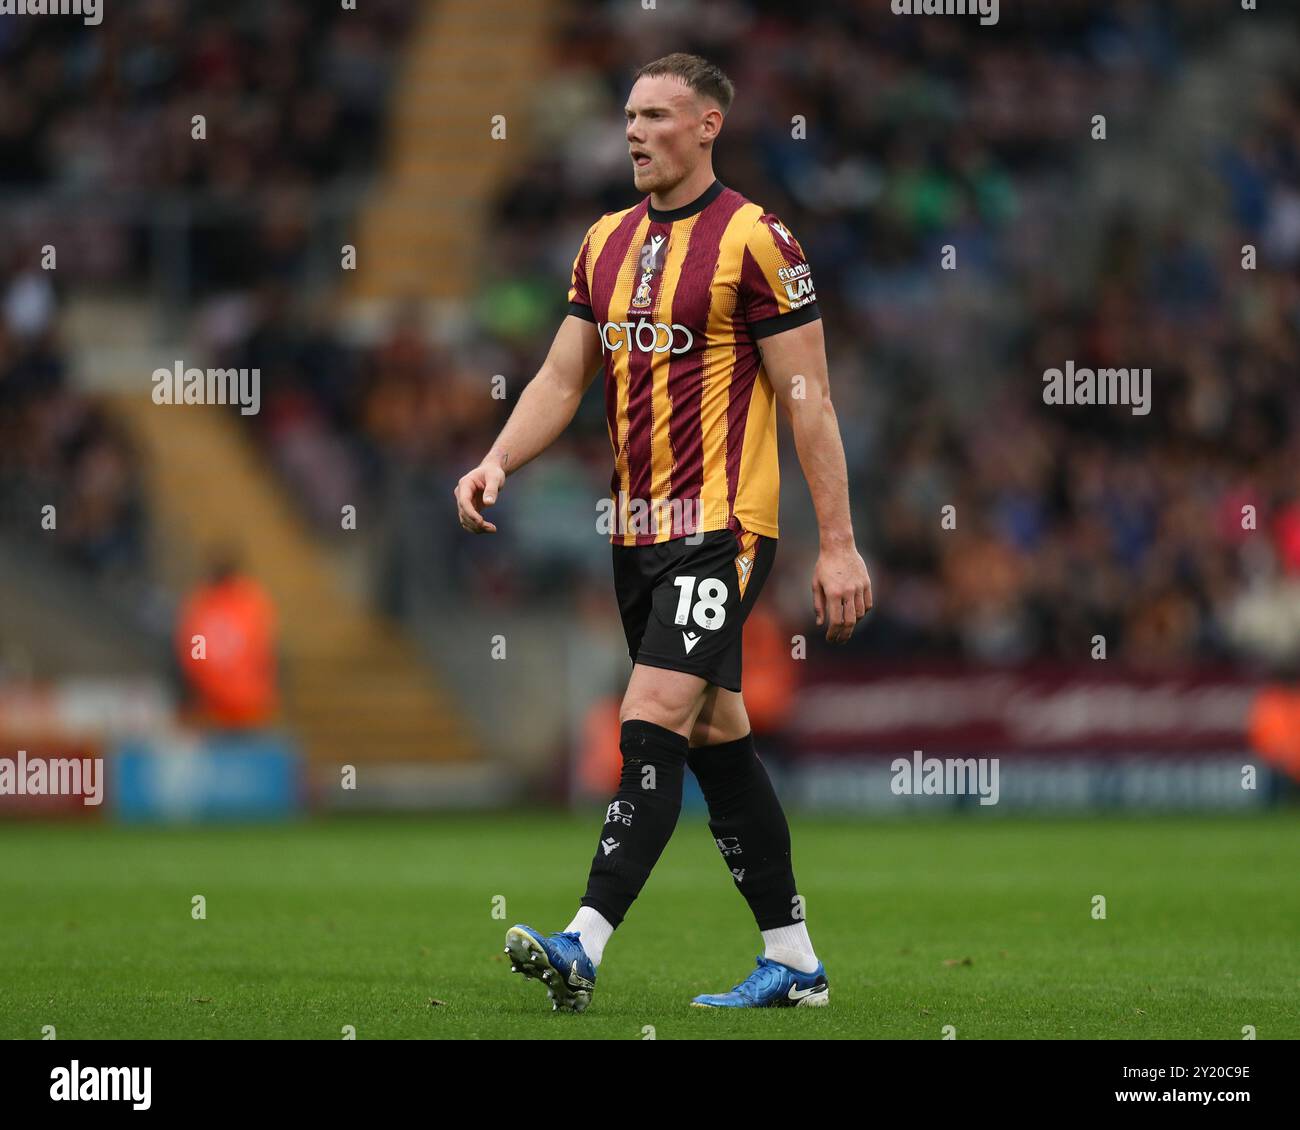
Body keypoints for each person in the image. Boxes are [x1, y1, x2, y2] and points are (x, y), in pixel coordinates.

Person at [454, 53, 871, 1011]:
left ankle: (582, 943)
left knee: (645, 720)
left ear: (708, 125)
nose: (634, 132)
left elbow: (807, 400)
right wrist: (497, 460)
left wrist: (839, 541)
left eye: (654, 116)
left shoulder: (759, 241)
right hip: (635, 533)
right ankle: (796, 960)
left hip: (723, 528)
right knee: (719, 735)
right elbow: (563, 379)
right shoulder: (603, 242)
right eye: (628, 116)